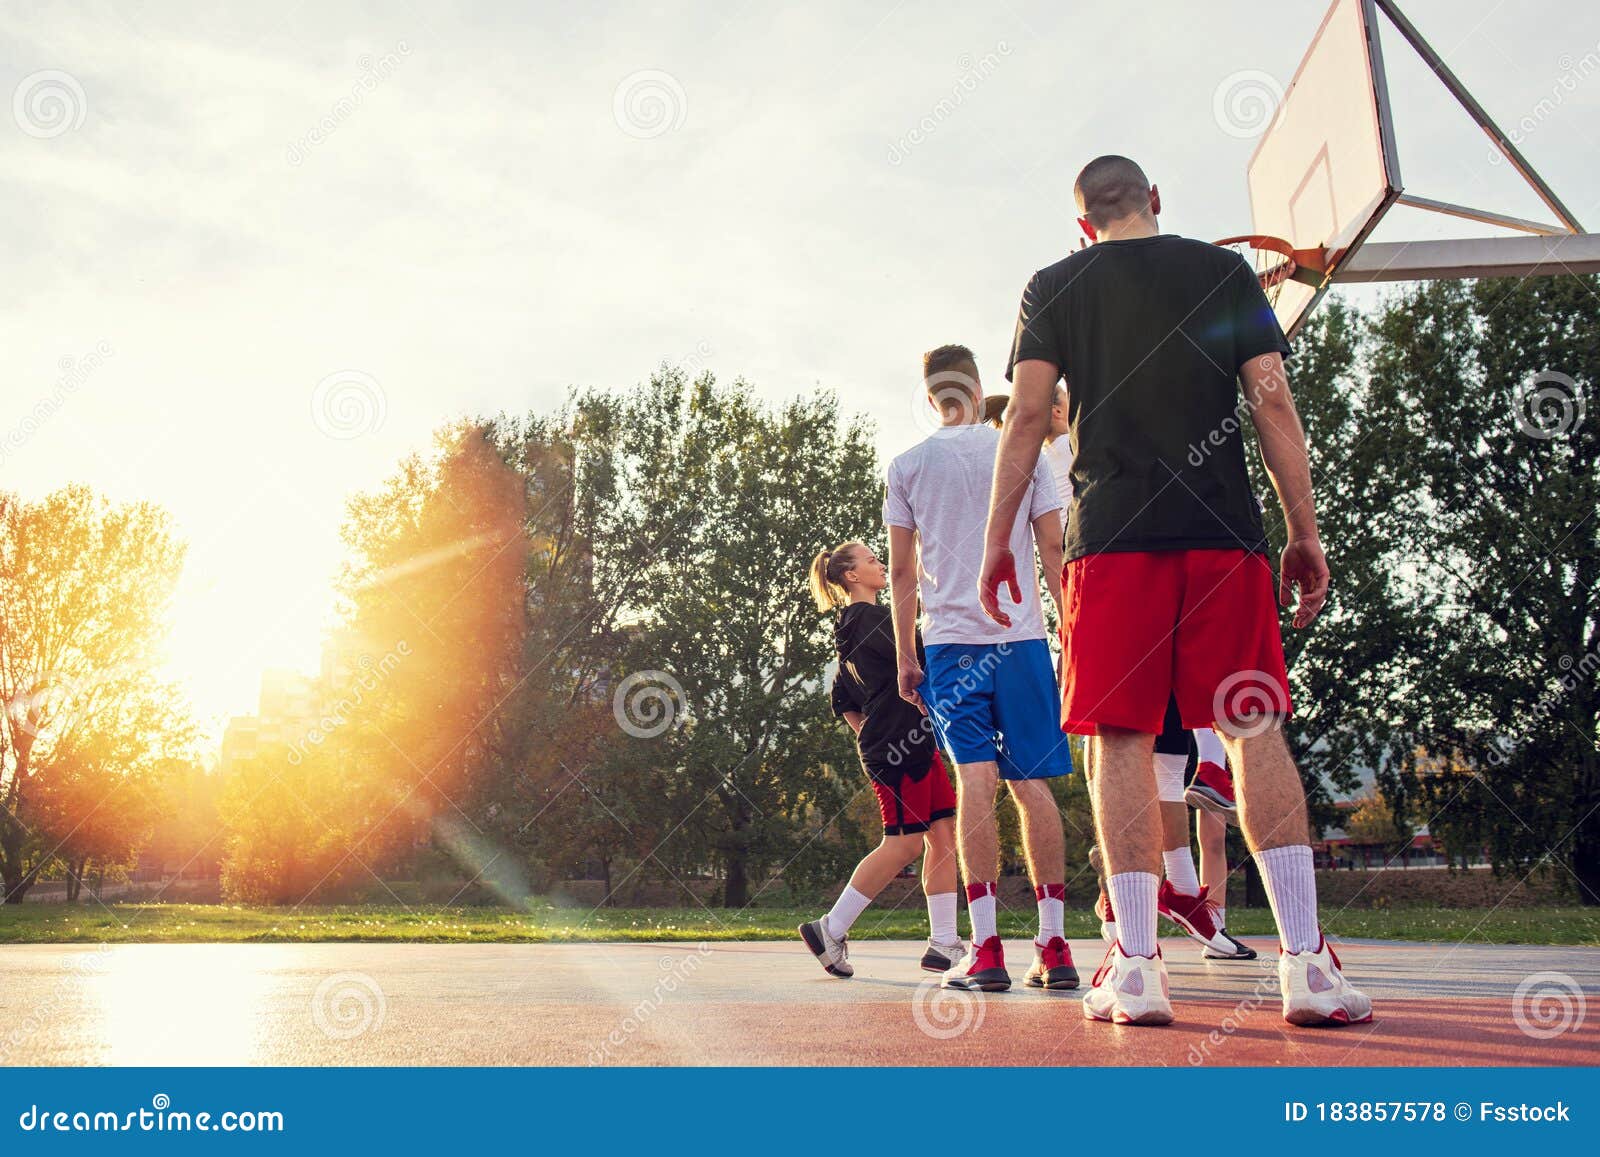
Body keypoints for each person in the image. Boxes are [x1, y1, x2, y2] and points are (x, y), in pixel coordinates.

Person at [979, 155, 1372, 1027]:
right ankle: (1305, 964)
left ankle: (1138, 971)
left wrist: (996, 538)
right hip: (1222, 534)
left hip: (1112, 540)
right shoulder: (1223, 270)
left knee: (1119, 741)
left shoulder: (1054, 284)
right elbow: (1273, 404)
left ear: (1084, 223)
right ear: (1156, 200)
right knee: (1250, 727)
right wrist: (1304, 530)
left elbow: (1028, 417)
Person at [887, 344, 1077, 993]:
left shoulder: (906, 466)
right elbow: (1054, 546)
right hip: (1021, 637)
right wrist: (1072, 631)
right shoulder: (1021, 452)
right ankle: (1054, 945)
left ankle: (988, 946)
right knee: (1032, 784)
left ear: (930, 392)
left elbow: (903, 573)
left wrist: (905, 656)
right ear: (974, 384)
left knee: (975, 778)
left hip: (949, 645)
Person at [799, 541, 965, 978]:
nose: (880, 564)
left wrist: (874, 736)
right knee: (905, 842)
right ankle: (830, 929)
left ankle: (944, 943)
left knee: (943, 834)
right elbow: (922, 661)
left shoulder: (851, 630)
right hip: (898, 749)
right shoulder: (870, 619)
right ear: (852, 576)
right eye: (872, 560)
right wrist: (883, 741)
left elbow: (842, 701)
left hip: (913, 744)